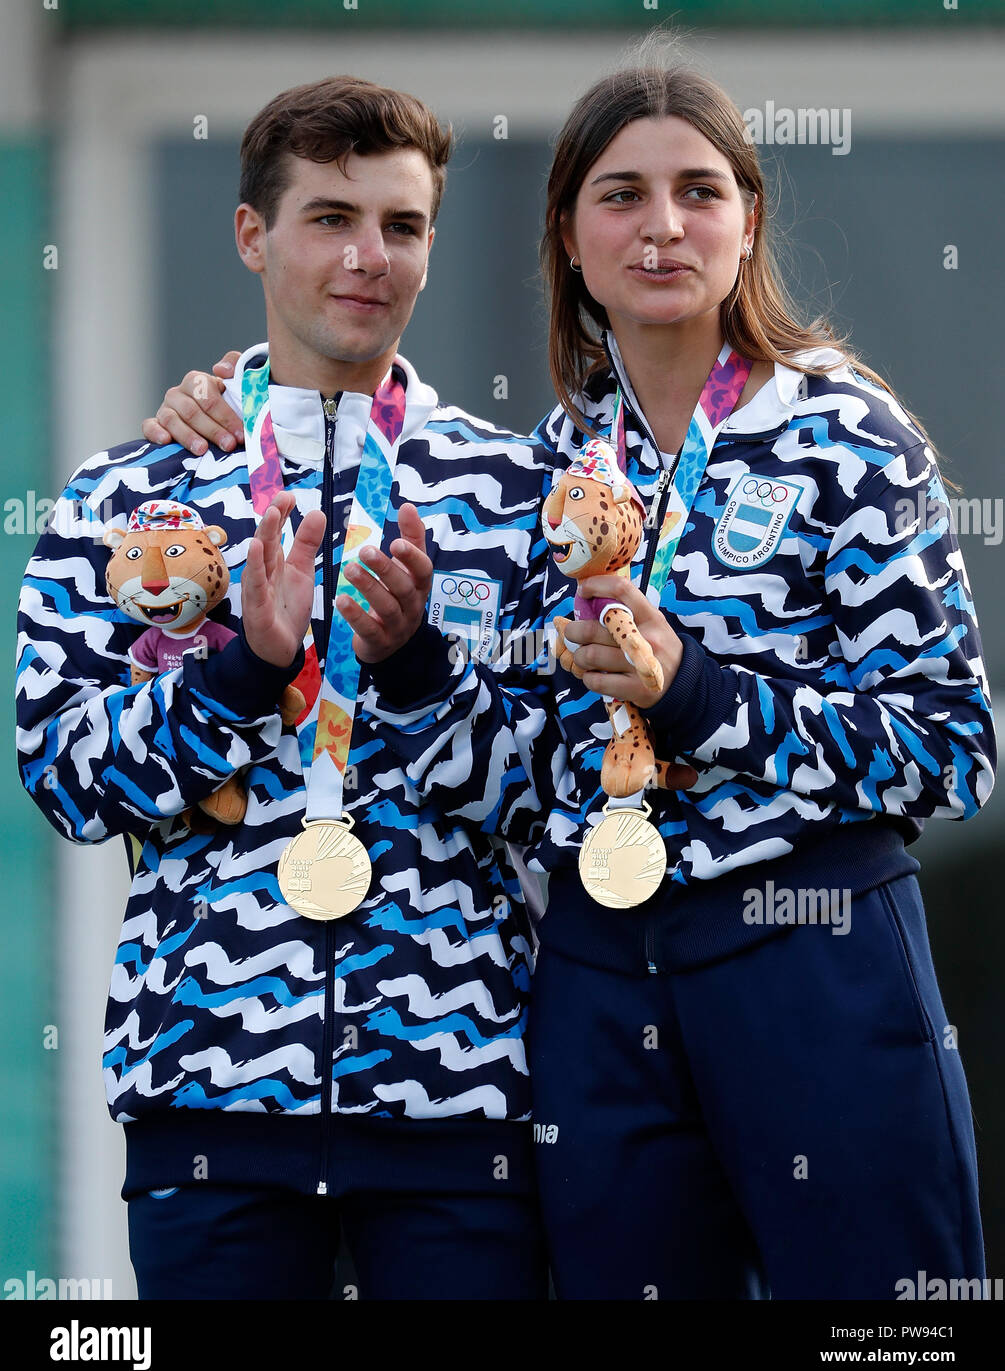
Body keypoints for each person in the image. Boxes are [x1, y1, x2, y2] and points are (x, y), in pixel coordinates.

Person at [147, 65, 996, 1300]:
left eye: (699, 192)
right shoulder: (539, 471)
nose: (662, 226)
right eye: (622, 195)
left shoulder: (848, 434)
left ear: (748, 221)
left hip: (809, 947)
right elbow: (513, 780)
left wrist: (701, 694)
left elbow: (952, 748)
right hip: (599, 976)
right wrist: (420, 659)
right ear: (571, 237)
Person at [16, 75, 563, 1301]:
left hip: (460, 1095)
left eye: (404, 225)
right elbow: (61, 775)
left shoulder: (515, 498)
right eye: (330, 218)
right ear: (253, 235)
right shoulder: (128, 494)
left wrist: (423, 672)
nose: (370, 257)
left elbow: (565, 799)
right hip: (207, 1089)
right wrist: (239, 675)